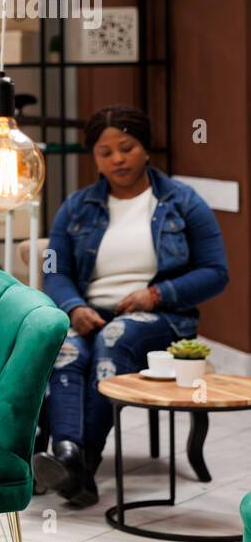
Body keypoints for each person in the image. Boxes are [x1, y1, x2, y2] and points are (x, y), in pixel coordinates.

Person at [36, 104, 228, 506]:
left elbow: (215, 272)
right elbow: (54, 271)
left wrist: (155, 294)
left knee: (116, 337)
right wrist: (73, 307)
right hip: (90, 312)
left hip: (160, 318)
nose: (117, 159)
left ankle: (81, 463)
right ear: (95, 158)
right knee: (67, 348)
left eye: (127, 147)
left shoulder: (181, 201)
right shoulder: (77, 206)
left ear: (145, 148)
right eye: (105, 152)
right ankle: (70, 455)